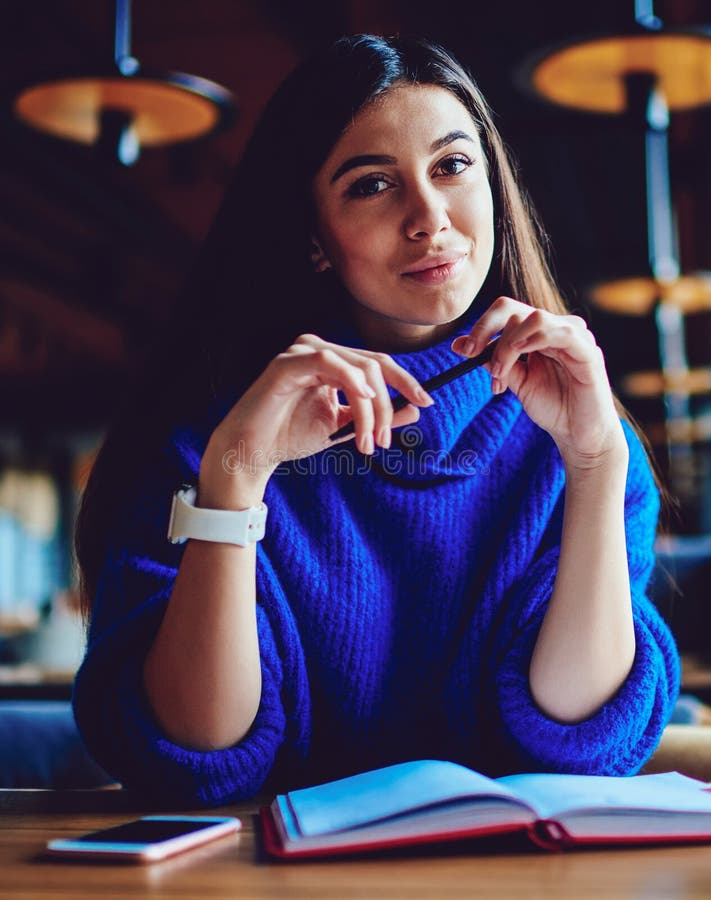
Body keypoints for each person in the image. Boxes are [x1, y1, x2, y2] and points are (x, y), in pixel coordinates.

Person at [73, 34, 680, 805]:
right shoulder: (207, 444)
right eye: (370, 186)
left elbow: (582, 740)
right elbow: (194, 758)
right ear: (312, 238)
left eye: (453, 166)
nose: (429, 218)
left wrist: (593, 465)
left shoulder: (577, 436)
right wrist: (234, 479)